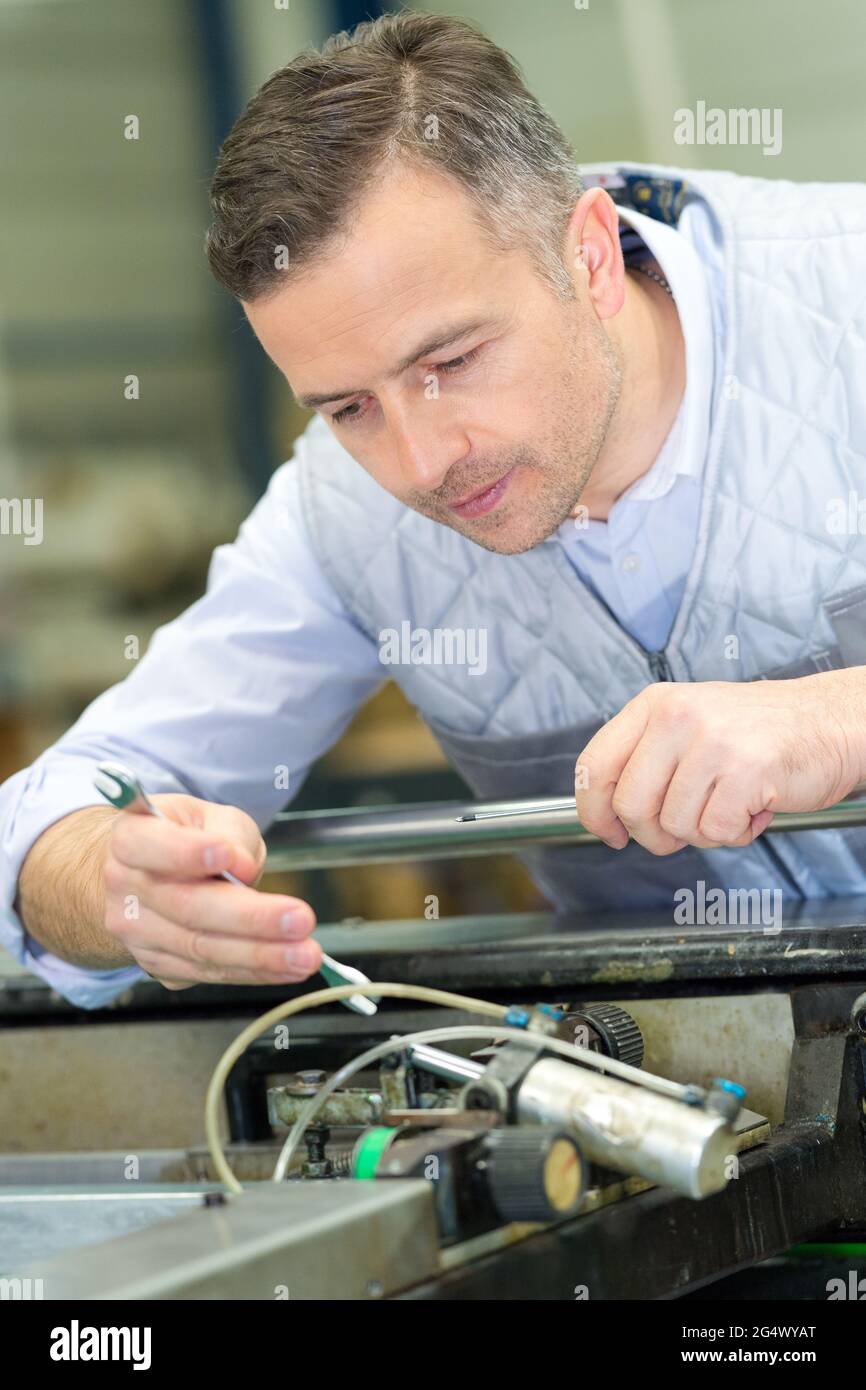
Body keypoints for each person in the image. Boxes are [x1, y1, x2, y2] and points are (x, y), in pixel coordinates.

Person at [3, 12, 866, 1009]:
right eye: (347, 407)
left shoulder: (841, 302)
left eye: (449, 362)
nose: (421, 464)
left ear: (586, 256)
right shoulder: (343, 518)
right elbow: (63, 809)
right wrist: (110, 885)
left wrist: (836, 716)